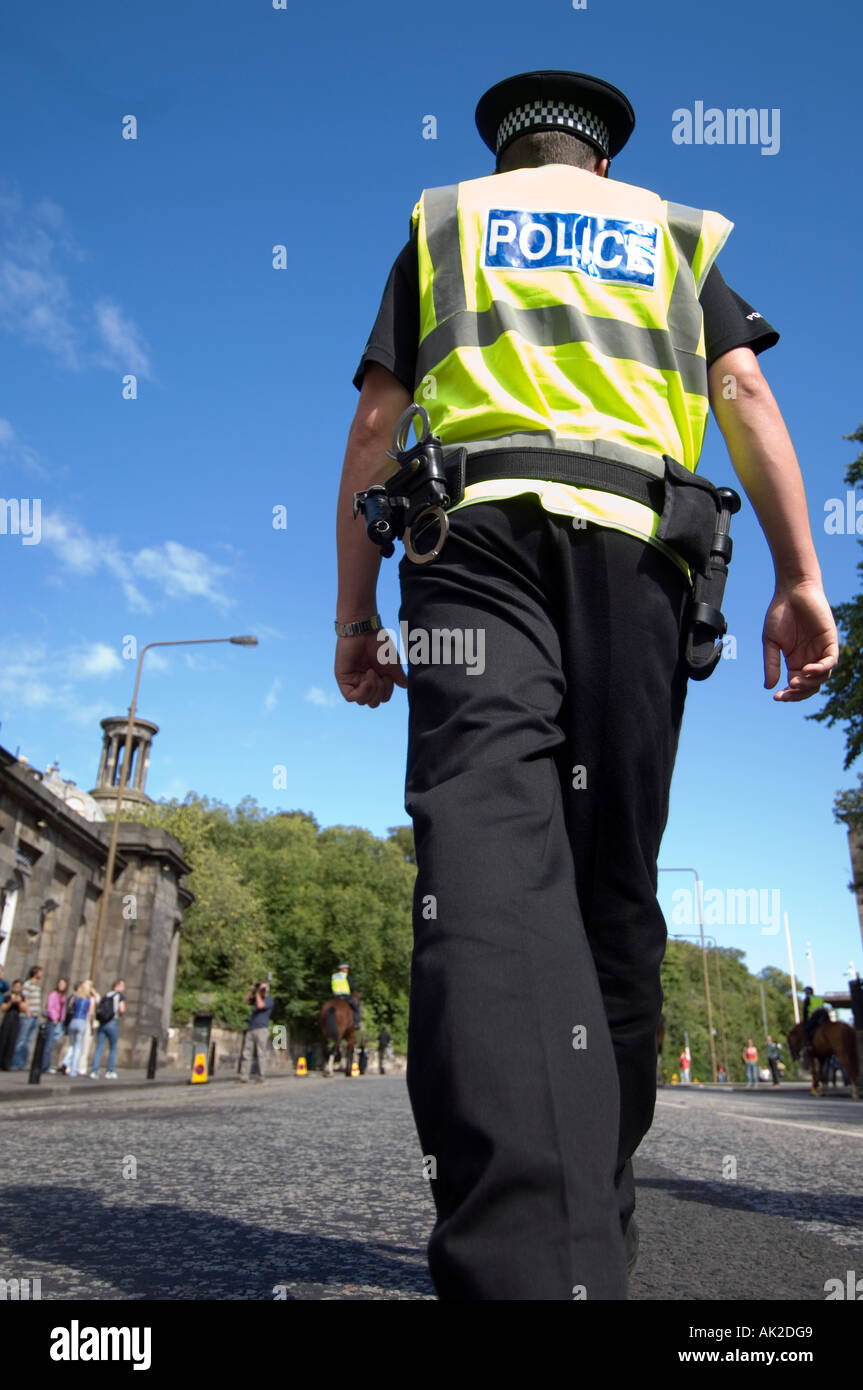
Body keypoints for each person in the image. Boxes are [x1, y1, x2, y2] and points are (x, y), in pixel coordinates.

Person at [334, 68, 838, 1300]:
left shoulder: (443, 226)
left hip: (469, 552)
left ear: (505, 162)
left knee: (487, 867)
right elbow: (744, 391)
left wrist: (354, 616)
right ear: (600, 163)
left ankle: (527, 1253)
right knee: (612, 889)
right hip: (637, 557)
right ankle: (585, 1227)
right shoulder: (666, 231)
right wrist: (797, 575)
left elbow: (371, 431)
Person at [89, 979, 126, 1079]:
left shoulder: (106, 995)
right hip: (112, 1023)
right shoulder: (119, 996)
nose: (124, 988)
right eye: (122, 985)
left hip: (103, 1023)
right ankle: (110, 1071)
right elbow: (122, 1009)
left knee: (99, 1048)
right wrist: (121, 1013)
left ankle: (94, 1071)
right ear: (117, 986)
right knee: (113, 1047)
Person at [237, 981, 274, 1083]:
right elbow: (245, 1001)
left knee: (261, 1053)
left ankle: (261, 1077)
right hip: (251, 1028)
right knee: (246, 1053)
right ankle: (244, 1077)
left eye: (262, 989)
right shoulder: (256, 998)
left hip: (262, 1029)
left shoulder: (269, 1000)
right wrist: (252, 991)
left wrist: (257, 993)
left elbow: (260, 1006)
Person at [60, 981, 96, 1077]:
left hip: (73, 1021)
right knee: (78, 1047)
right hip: (82, 1022)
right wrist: (92, 1025)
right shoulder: (90, 999)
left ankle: (65, 1062)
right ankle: (74, 1070)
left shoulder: (75, 997)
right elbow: (91, 1013)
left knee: (72, 1045)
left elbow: (70, 1007)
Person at [11, 964, 43, 1069]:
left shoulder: (37, 986)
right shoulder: (28, 984)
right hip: (27, 1016)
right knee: (21, 1039)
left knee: (28, 1040)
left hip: (34, 1016)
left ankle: (22, 1063)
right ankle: (15, 1063)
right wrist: (27, 1011)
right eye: (40, 972)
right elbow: (24, 998)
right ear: (35, 973)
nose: (41, 974)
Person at [42, 977, 69, 1073]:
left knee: (54, 1044)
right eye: (60, 984)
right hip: (53, 1021)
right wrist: (54, 1019)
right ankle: (44, 1066)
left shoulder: (63, 997)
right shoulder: (53, 994)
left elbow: (63, 1009)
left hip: (59, 1022)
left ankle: (48, 1065)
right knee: (48, 1044)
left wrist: (62, 1019)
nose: (62, 986)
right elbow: (50, 1007)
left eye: (63, 984)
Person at [0, 980, 26, 1070]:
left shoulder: (22, 998)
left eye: (19, 987)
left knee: (12, 1041)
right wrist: (11, 1002)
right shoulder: (7, 997)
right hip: (8, 1018)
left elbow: (25, 1009)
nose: (17, 988)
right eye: (16, 986)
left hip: (16, 1019)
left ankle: (7, 1064)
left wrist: (19, 1002)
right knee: (3, 1040)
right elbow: (3, 1008)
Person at [331, 963, 360, 1027]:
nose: (347, 970)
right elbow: (352, 987)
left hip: (335, 997)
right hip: (345, 997)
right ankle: (356, 1024)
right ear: (342, 970)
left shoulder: (334, 976)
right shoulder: (346, 976)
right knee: (356, 1009)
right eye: (346, 969)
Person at [802, 986, 830, 1053]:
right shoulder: (819, 998)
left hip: (817, 1016)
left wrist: (805, 1022)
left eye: (805, 992)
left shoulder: (808, 999)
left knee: (806, 1029)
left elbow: (805, 1012)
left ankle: (809, 1045)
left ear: (807, 992)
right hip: (825, 1015)